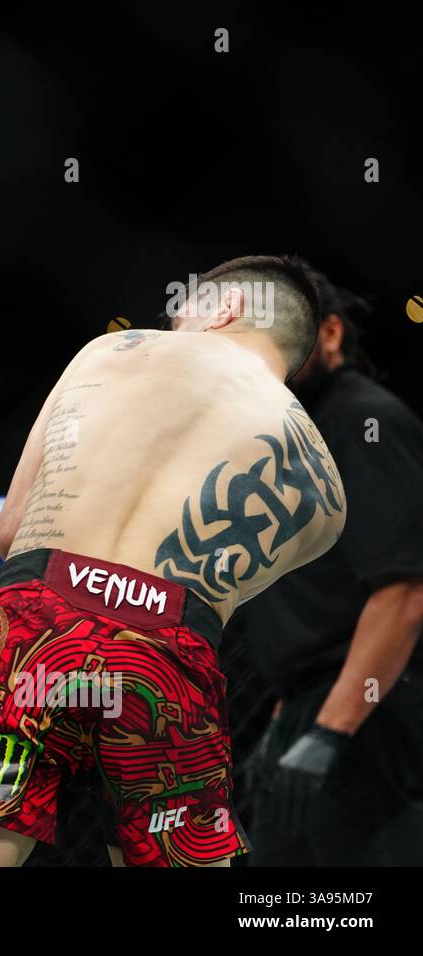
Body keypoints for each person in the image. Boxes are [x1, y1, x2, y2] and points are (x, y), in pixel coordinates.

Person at [0, 254, 345, 867]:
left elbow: (14, 529)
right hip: (169, 657)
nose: (173, 324)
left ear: (226, 309)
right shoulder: (326, 491)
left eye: (182, 311)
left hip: (36, 629)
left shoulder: (114, 352)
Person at [233, 274, 423, 865]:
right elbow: (319, 600)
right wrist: (291, 719)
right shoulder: (283, 435)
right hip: (314, 702)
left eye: (286, 334)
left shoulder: (365, 421)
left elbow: (405, 592)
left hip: (376, 704)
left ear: (331, 333)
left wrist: (332, 730)